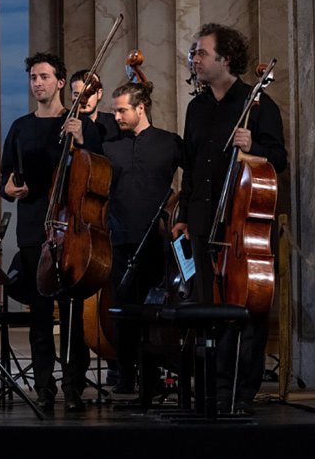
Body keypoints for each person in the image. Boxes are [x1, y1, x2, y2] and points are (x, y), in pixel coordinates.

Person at [172, 23, 286, 414]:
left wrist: (254, 144)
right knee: (206, 306)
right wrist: (184, 215)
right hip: (203, 220)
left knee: (243, 310)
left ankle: (237, 391)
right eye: (194, 53)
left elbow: (279, 158)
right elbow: (190, 166)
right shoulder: (196, 107)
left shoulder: (257, 105)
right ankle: (208, 387)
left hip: (242, 222)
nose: (195, 59)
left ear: (225, 59)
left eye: (201, 53)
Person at [0, 52, 103, 413]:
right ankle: (44, 387)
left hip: (72, 231)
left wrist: (83, 139)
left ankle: (73, 386)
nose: (37, 83)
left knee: (72, 314)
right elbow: (6, 177)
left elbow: (99, 169)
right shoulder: (19, 127)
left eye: (44, 77)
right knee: (40, 315)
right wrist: (8, 189)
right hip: (34, 230)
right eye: (33, 78)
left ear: (61, 83)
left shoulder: (79, 125)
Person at [101, 80, 183, 397]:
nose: (117, 117)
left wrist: (178, 209)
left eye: (122, 110)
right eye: (115, 111)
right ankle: (124, 378)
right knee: (123, 313)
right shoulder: (110, 147)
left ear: (140, 107)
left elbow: (196, 179)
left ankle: (153, 378)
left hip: (157, 240)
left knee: (154, 313)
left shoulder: (169, 142)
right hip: (119, 238)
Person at [72, 68, 119, 141]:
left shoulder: (114, 123)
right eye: (77, 95)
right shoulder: (66, 124)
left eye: (88, 94)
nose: (83, 100)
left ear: (99, 94)